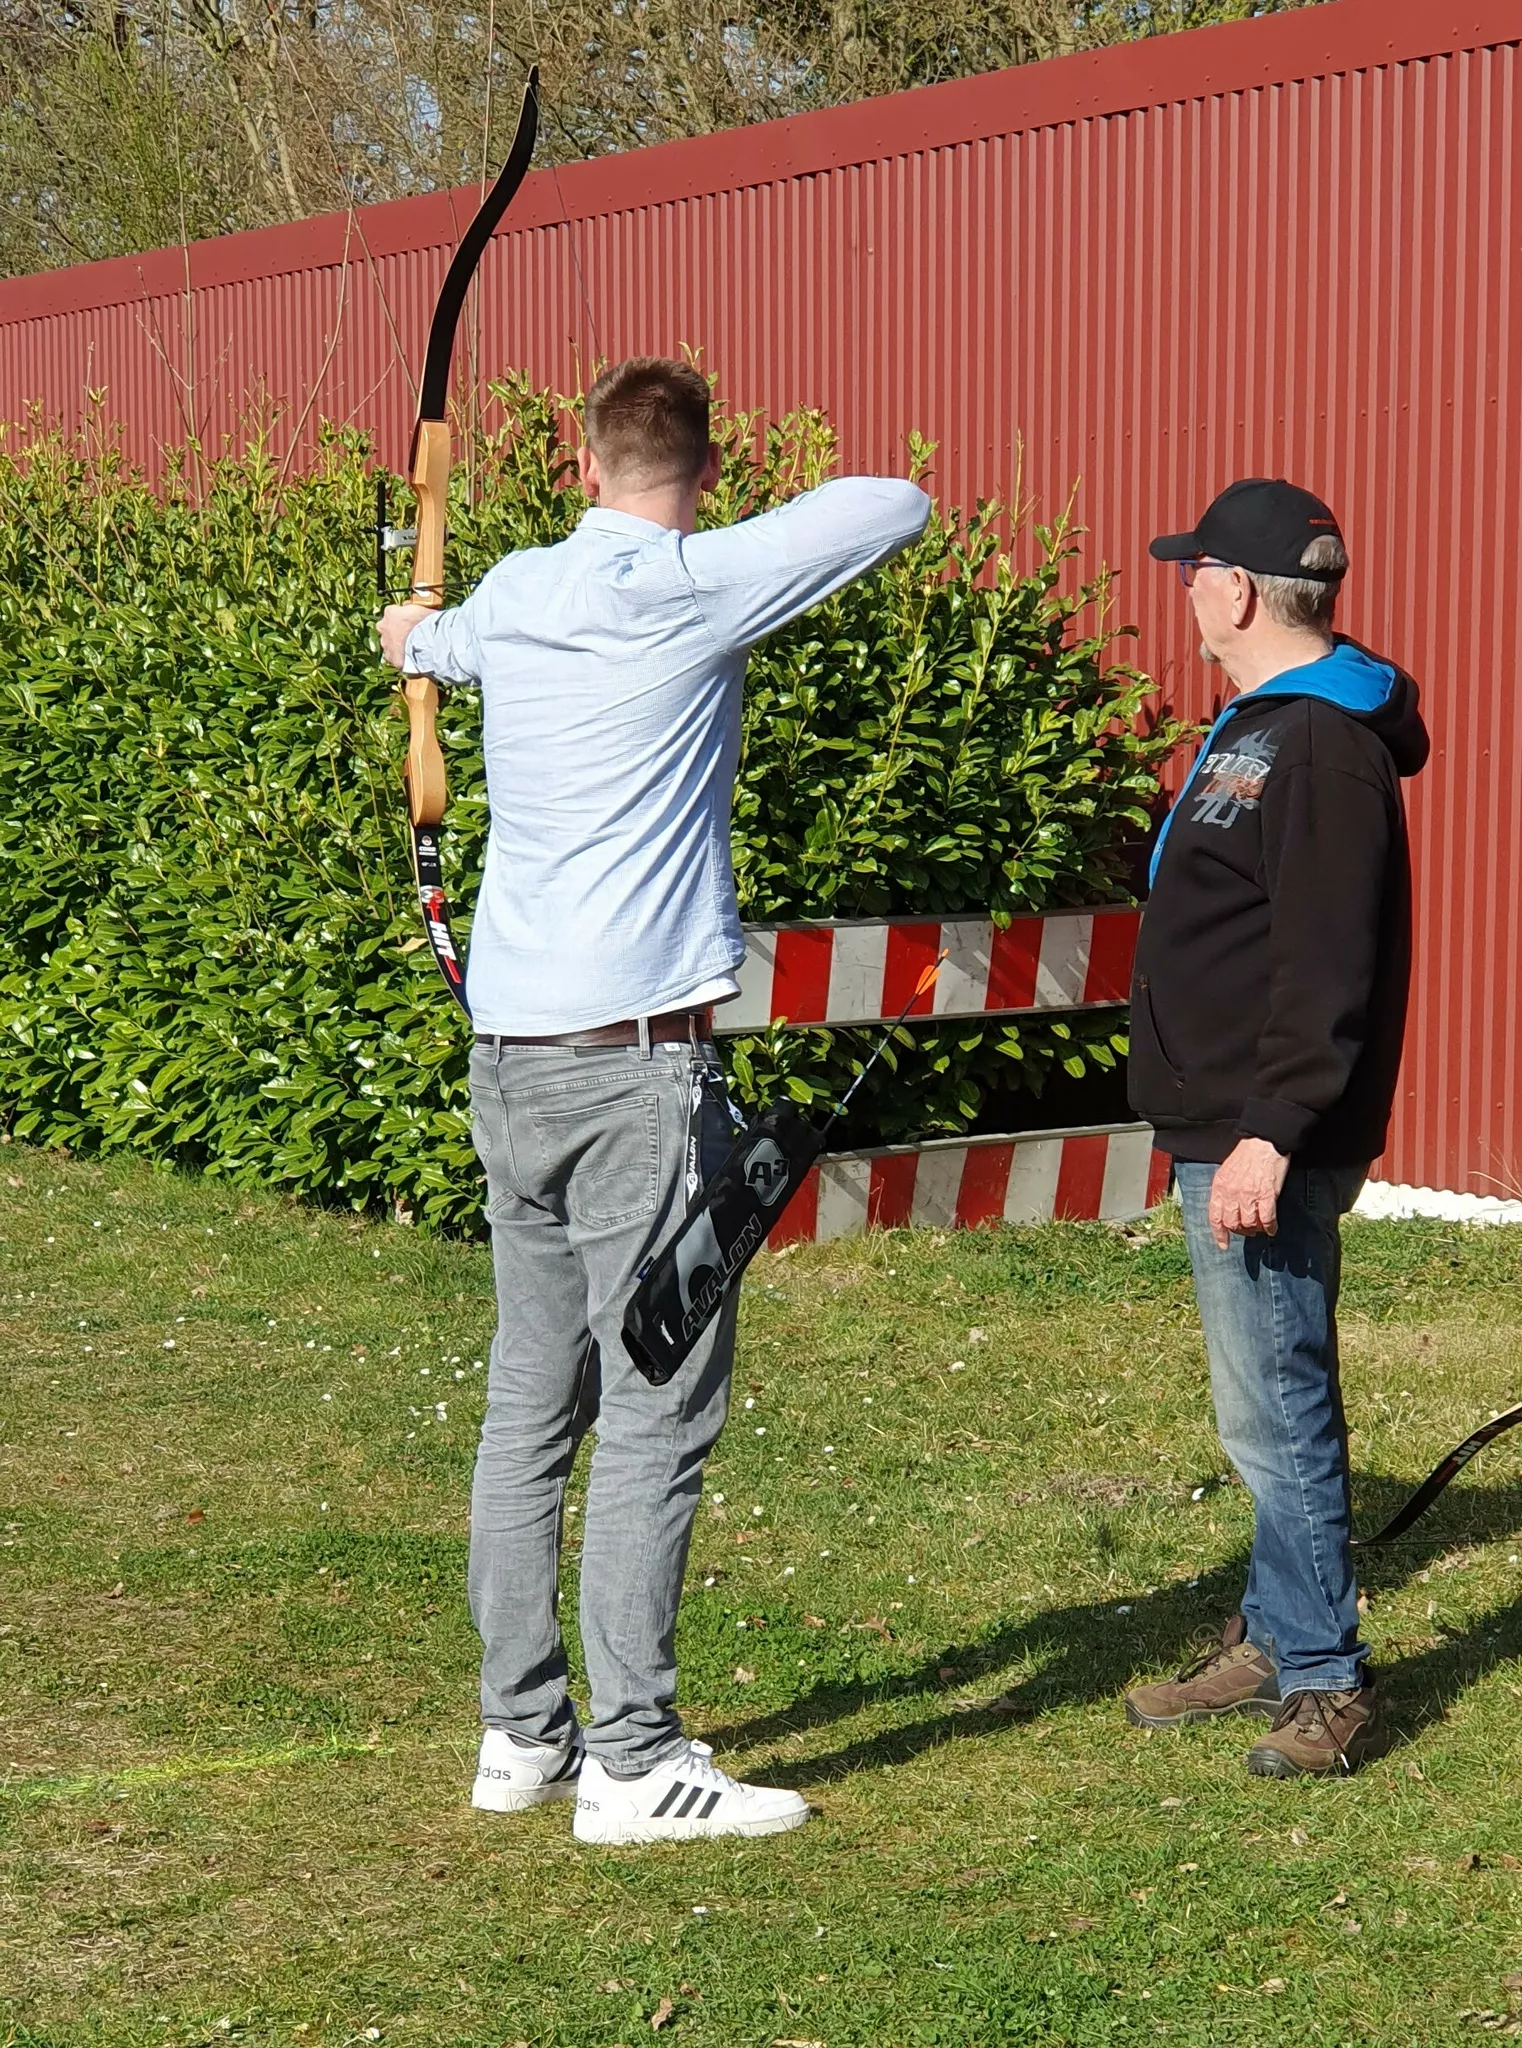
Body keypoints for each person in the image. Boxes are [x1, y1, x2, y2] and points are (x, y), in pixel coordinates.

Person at [378, 357, 930, 1843]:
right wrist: (705, 545)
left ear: (577, 458)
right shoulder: (697, 585)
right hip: (633, 1068)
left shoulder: (511, 599)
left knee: (526, 1399)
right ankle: (628, 1764)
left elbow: (431, 635)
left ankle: (521, 1737)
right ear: (708, 463)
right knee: (656, 1407)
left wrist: (418, 632)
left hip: (512, 1063)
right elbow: (898, 501)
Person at [1123, 478, 1429, 1777]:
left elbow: (1324, 961)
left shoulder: (1320, 743)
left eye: (1193, 568)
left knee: (1277, 1403)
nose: (1185, 585)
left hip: (1262, 1134)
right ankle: (1274, 1632)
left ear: (1240, 591)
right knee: (1261, 1393)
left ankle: (1324, 1677)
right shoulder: (1261, 726)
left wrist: (1271, 1129)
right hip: (1226, 1117)